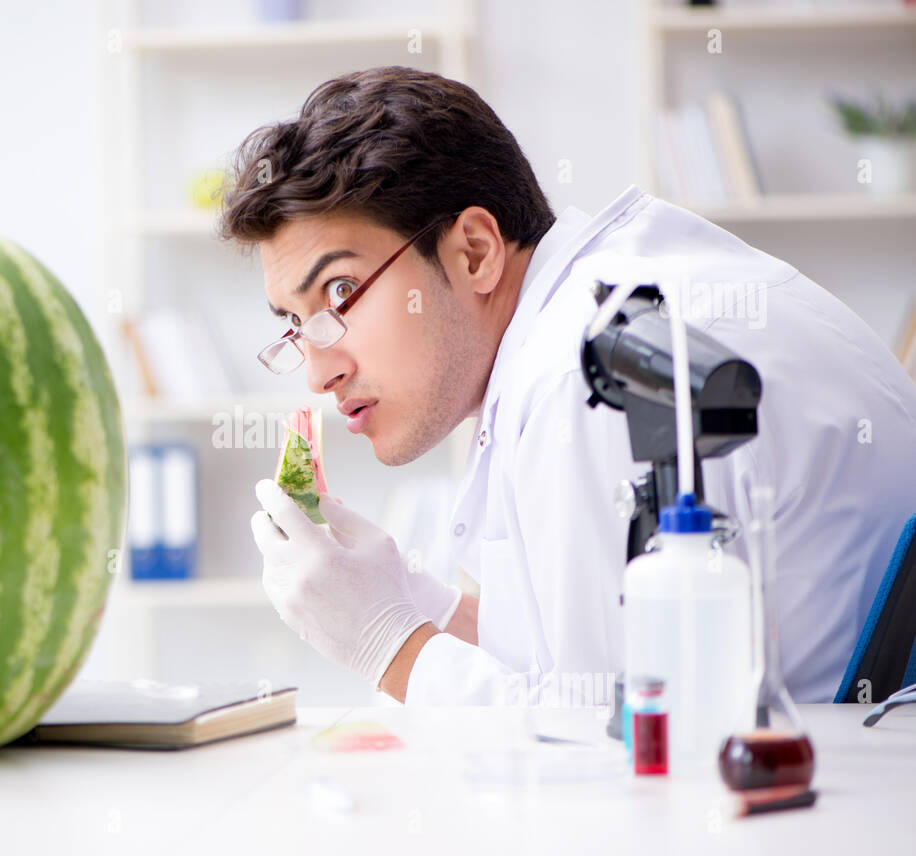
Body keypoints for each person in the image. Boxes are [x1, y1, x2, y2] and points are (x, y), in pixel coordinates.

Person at [217, 65, 916, 706]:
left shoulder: (592, 378)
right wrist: (404, 599)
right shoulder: (615, 290)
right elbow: (570, 658)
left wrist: (385, 642)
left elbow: (603, 769)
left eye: (340, 293)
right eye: (295, 325)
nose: (318, 370)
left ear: (475, 251)